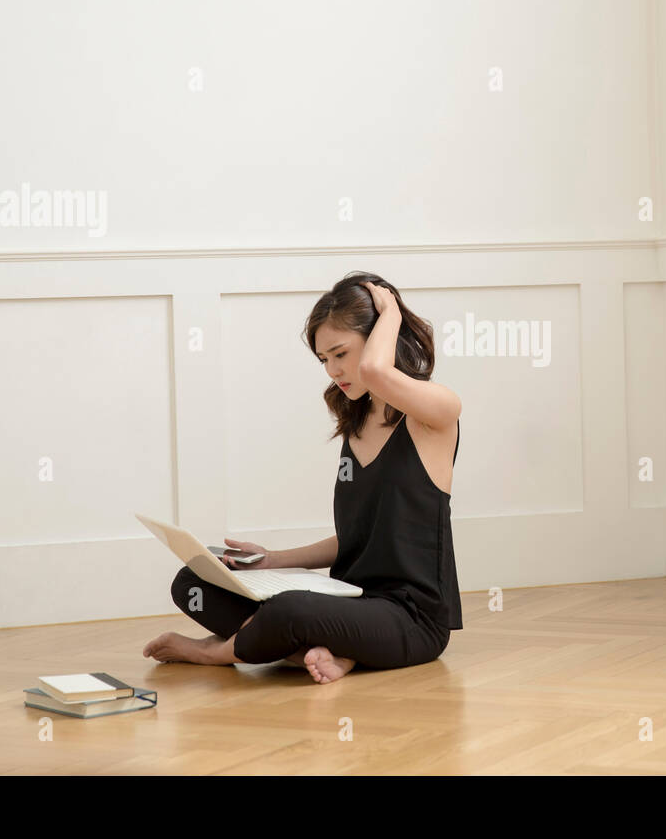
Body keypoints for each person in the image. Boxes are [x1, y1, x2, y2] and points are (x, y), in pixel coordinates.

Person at [143, 271, 463, 684]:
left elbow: (378, 371)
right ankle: (336, 651)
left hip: (411, 618)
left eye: (340, 353)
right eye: (323, 359)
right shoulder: (358, 421)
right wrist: (271, 561)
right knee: (195, 582)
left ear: (379, 337)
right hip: (351, 603)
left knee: (289, 610)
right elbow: (359, 537)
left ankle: (218, 652)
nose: (332, 369)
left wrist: (391, 313)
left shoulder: (437, 413)